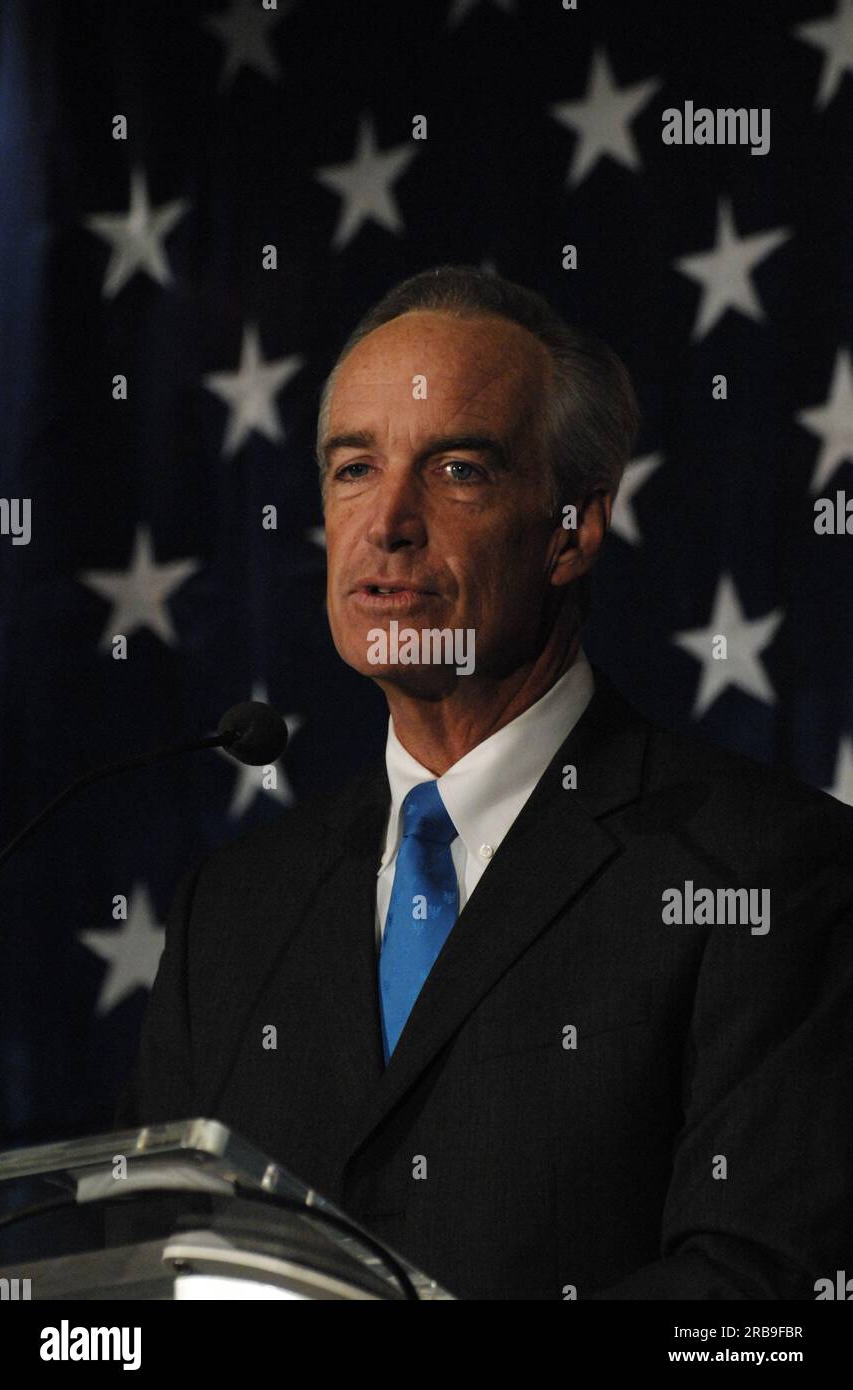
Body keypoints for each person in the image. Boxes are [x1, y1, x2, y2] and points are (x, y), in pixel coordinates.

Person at [114, 265, 853, 1300]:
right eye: (352, 468)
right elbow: (155, 1259)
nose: (388, 523)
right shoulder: (229, 913)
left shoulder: (760, 869)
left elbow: (757, 1292)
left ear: (572, 530)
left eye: (456, 469)